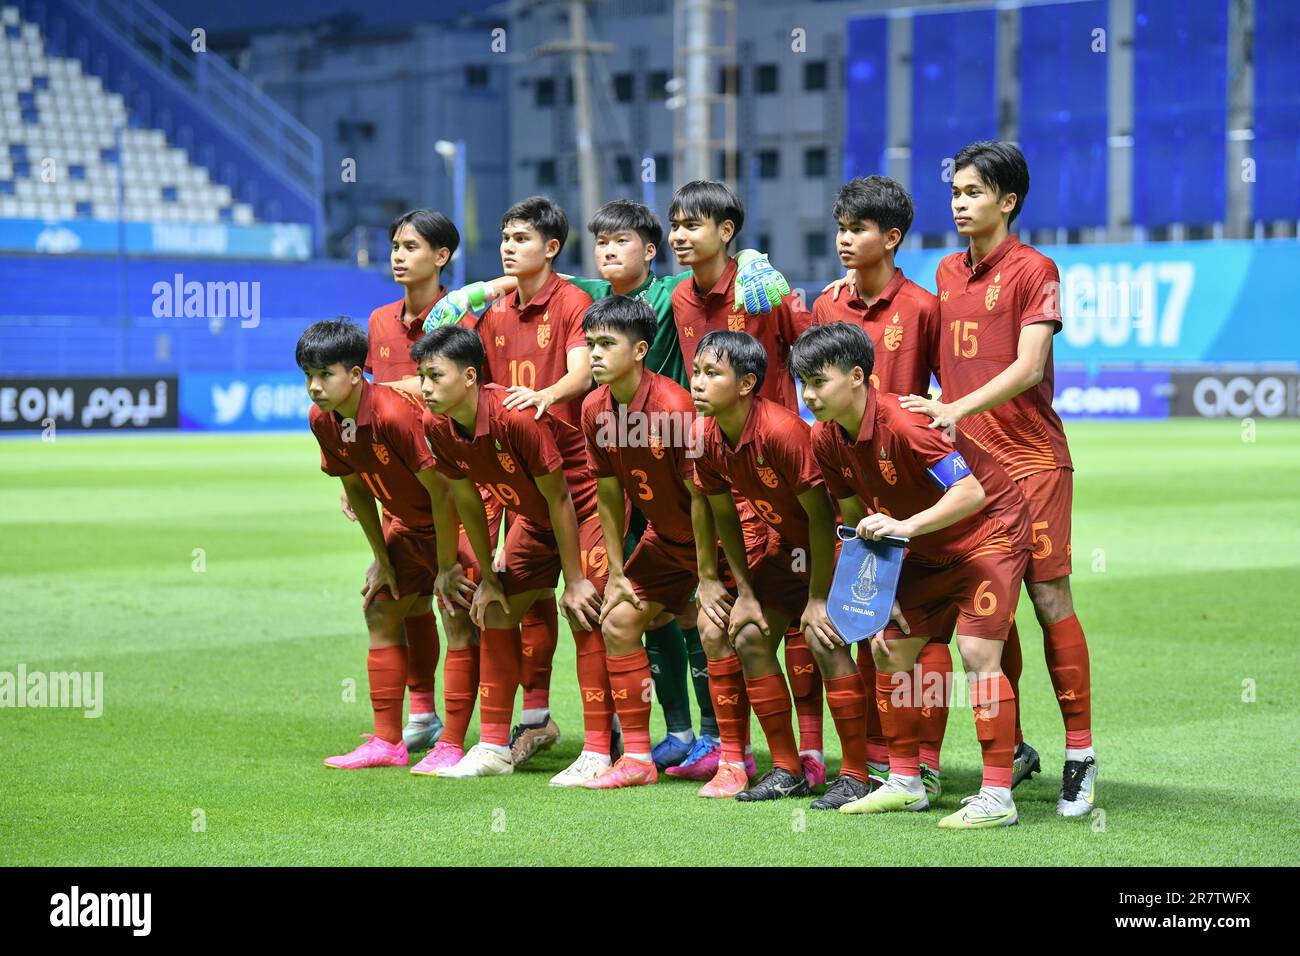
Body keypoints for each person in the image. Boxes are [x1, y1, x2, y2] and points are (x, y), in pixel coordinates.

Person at [899, 141, 1097, 816]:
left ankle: (1080, 753)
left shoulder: (1035, 267)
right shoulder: (946, 273)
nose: (960, 202)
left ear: (1007, 201)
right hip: (971, 473)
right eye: (955, 191)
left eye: (974, 191)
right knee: (989, 614)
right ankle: (1009, 755)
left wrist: (955, 406)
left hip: (1033, 462)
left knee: (1047, 600)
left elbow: (1031, 366)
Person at [793, 321, 1032, 827]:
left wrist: (905, 526)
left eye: (819, 381)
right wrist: (882, 587)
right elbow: (856, 516)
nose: (809, 394)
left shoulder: (904, 423)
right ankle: (904, 782)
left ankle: (997, 797)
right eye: (803, 383)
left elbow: (971, 494)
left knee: (976, 652)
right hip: (924, 546)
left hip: (990, 533)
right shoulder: (827, 438)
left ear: (857, 376)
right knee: (891, 646)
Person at [417, 325, 621, 786]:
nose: (425, 388)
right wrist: (488, 575)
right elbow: (467, 499)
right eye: (421, 376)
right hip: (531, 518)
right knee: (495, 608)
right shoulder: (437, 425)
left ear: (469, 377)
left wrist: (576, 580)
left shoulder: (517, 418)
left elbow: (563, 498)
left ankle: (596, 751)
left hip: (584, 509)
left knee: (585, 612)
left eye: (434, 376)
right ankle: (492, 747)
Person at [814, 175, 953, 792]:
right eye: (841, 228)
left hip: (915, 489)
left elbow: (950, 392)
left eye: (858, 229)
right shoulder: (827, 305)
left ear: (892, 238)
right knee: (866, 618)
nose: (844, 240)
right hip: (855, 484)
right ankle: (879, 754)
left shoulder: (923, 307)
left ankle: (925, 756)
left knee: (926, 633)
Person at [689, 330, 861, 803]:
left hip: (837, 548)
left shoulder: (781, 430)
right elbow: (722, 514)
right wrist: (743, 590)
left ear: (746, 384)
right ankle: (786, 768)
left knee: (824, 641)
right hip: (787, 549)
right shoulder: (706, 435)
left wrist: (819, 598)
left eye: (712, 374)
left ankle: (856, 774)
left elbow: (824, 517)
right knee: (746, 633)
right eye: (697, 372)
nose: (698, 383)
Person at [296, 318, 475, 770]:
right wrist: (382, 558)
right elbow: (355, 484)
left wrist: (446, 565)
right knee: (380, 604)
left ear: (356, 375)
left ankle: (451, 744)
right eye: (307, 376)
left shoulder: (394, 415)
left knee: (455, 614)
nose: (315, 387)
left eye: (325, 375)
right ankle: (388, 742)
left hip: (456, 521)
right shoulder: (323, 419)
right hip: (408, 524)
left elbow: (444, 492)